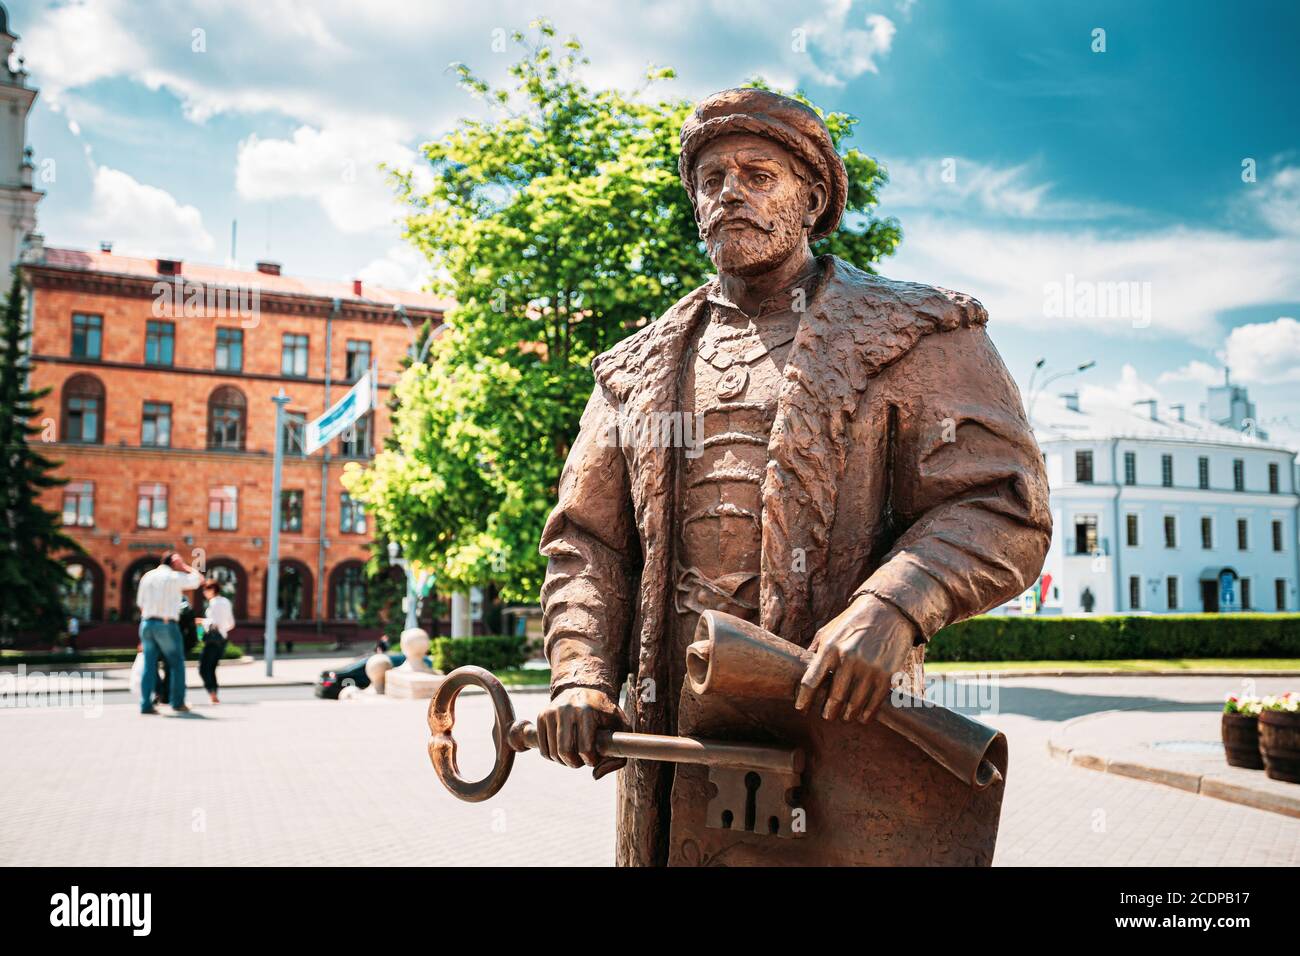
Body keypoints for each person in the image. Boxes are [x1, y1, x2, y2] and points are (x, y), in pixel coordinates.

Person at [533, 89, 1051, 866]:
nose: (730, 192)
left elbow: (1004, 504)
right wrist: (579, 675)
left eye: (757, 173)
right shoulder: (635, 369)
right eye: (711, 179)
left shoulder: (917, 335)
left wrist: (896, 604)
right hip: (673, 744)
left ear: (811, 200)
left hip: (837, 732)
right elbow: (586, 541)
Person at [136, 552, 202, 715]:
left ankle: (146, 705)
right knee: (177, 663)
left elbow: (140, 603)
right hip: (166, 624)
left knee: (149, 665)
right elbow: (198, 580)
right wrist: (185, 567)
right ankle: (177, 703)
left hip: (146, 623)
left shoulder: (147, 576)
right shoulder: (174, 577)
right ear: (174, 562)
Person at [199, 579, 235, 704]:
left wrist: (201, 621)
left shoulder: (214, 602)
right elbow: (231, 624)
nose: (204, 593)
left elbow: (213, 623)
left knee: (203, 668)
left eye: (205, 590)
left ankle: (212, 693)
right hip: (223, 639)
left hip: (212, 640)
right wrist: (222, 630)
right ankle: (214, 694)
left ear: (212, 590)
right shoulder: (226, 601)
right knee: (212, 667)